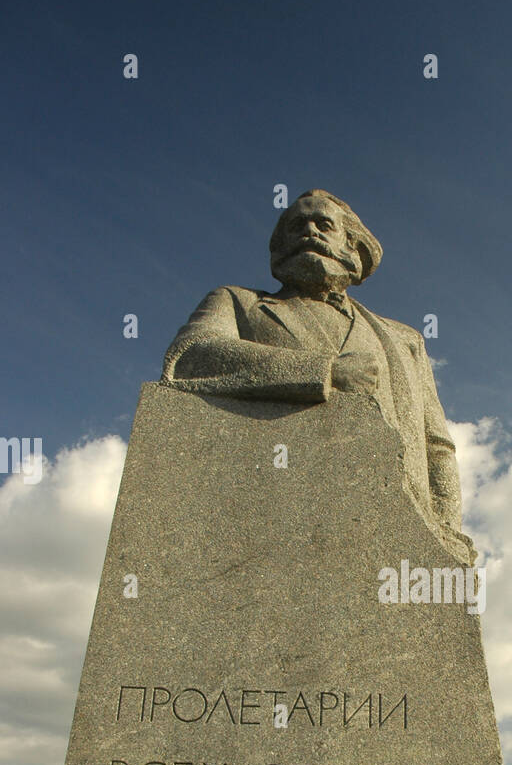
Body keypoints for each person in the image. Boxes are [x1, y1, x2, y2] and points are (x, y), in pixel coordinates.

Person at [161, 189, 475, 564]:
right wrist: (325, 372)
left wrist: (444, 532)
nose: (308, 231)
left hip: (396, 529)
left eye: (323, 224)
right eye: (296, 226)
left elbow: (436, 445)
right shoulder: (237, 302)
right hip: (275, 525)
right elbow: (190, 357)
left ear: (352, 247)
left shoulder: (404, 339)